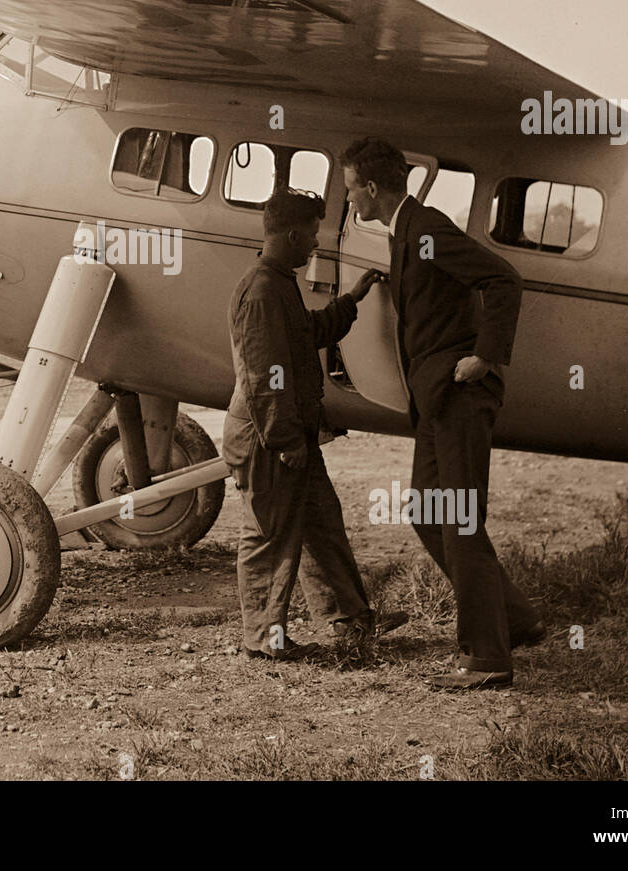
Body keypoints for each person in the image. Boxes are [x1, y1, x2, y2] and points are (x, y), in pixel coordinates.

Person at [340, 137, 544, 689]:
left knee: (456, 520)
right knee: (430, 514)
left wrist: (486, 357)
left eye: (352, 189)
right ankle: (516, 620)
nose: (350, 199)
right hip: (435, 399)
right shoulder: (407, 233)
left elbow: (503, 280)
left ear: (373, 188)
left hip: (459, 396)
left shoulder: (425, 229)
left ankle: (487, 659)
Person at [223, 186, 405, 661]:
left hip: (288, 431)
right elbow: (264, 378)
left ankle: (349, 620)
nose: (315, 245)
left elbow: (310, 334)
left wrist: (353, 298)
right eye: (309, 236)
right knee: (268, 535)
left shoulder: (279, 282)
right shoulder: (263, 291)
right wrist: (286, 442)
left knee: (321, 524)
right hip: (269, 435)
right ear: (289, 234)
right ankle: (263, 640)